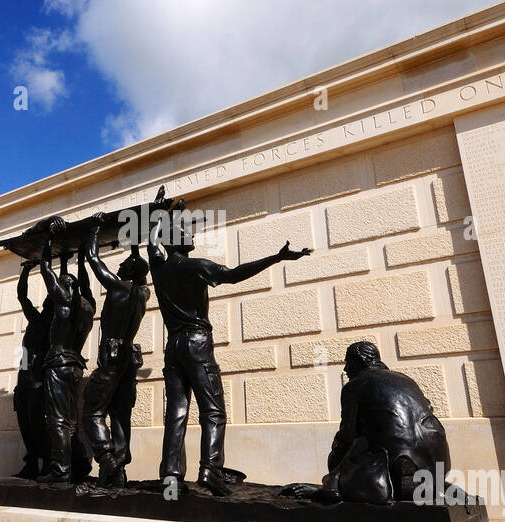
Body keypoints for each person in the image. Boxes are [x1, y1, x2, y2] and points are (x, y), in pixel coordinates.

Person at [147, 200, 310, 495]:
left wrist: (164, 213)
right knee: (213, 410)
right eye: (185, 231)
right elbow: (234, 274)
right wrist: (276, 258)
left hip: (173, 346)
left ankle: (170, 475)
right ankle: (210, 470)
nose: (192, 235)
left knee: (177, 411)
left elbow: (150, 244)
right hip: (196, 343)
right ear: (177, 241)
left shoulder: (158, 269)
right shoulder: (197, 266)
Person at [321, 341, 451, 504]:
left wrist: (335, 456)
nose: (345, 369)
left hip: (395, 458)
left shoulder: (353, 386)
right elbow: (428, 408)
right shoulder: (406, 379)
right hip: (436, 454)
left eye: (348, 362)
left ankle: (332, 484)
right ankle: (420, 475)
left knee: (356, 442)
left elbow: (348, 433)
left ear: (360, 360)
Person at [80, 224, 150, 487]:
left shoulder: (118, 287)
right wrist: (135, 243)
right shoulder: (144, 293)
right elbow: (141, 270)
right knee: (121, 415)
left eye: (123, 264)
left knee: (92, 412)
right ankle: (118, 471)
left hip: (111, 356)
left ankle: (107, 458)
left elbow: (92, 258)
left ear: (130, 271)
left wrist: (95, 230)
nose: (118, 266)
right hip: (128, 358)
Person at [37, 240, 96, 483]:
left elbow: (45, 270)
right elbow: (86, 283)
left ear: (62, 288)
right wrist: (81, 259)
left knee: (57, 420)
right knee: (71, 420)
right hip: (75, 366)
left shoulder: (62, 303)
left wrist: (49, 243)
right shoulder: (87, 306)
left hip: (59, 364)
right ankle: (78, 465)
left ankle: (60, 470)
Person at [12, 260, 53, 478]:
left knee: (40, 423)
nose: (47, 298)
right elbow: (22, 297)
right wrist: (26, 271)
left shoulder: (58, 320)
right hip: (25, 374)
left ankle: (47, 463)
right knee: (25, 422)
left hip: (40, 376)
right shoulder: (35, 319)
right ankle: (31, 463)